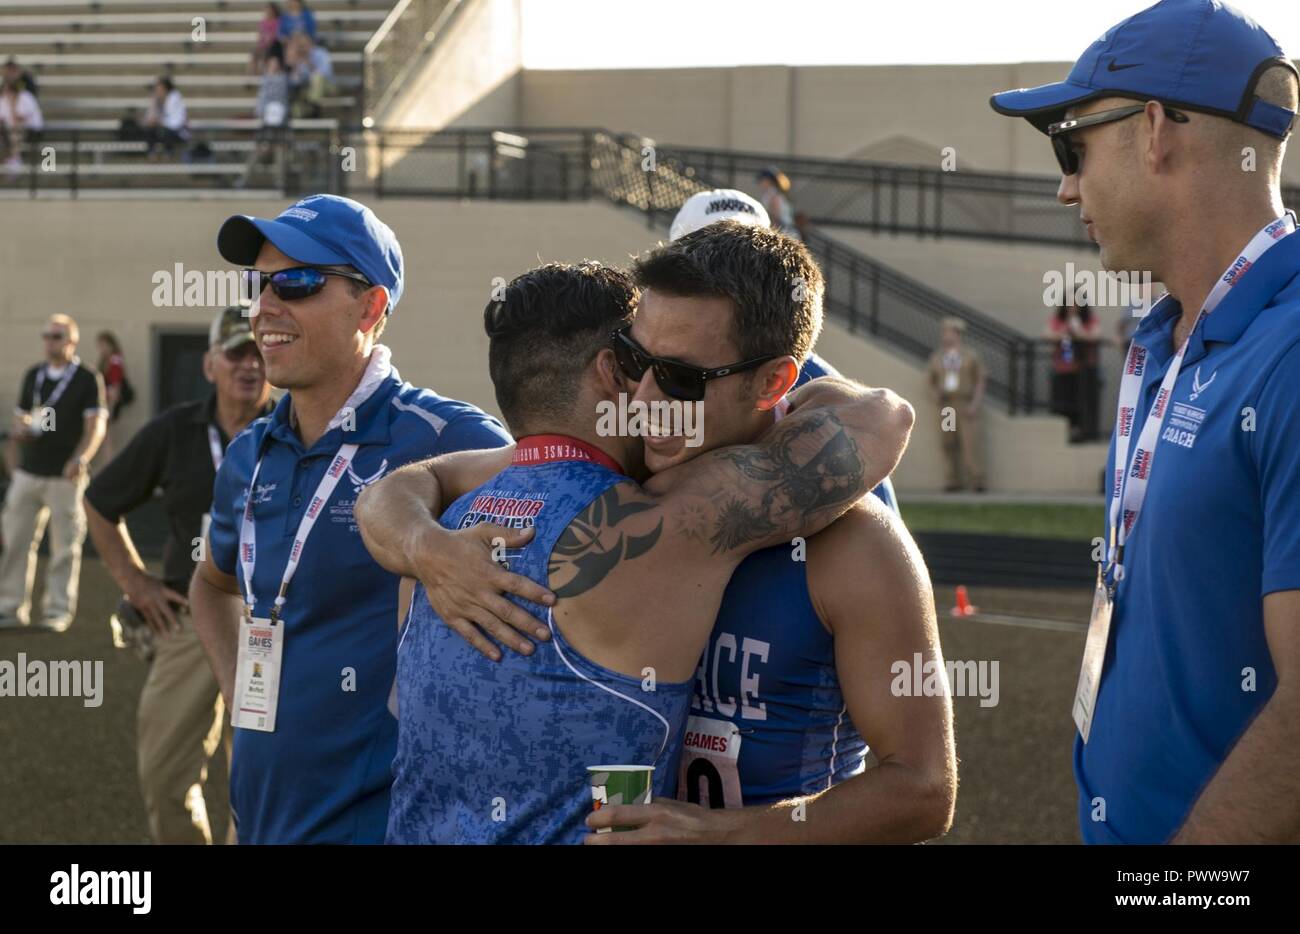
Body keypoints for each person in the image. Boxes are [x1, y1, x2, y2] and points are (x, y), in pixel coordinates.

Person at [355, 235, 918, 844]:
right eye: (632, 360)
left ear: (773, 381)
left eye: (677, 376)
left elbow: (922, 788)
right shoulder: (644, 506)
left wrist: (725, 835)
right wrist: (424, 546)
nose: (645, 397)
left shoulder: (841, 537)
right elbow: (881, 416)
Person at [991, 0, 1300, 843]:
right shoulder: (1167, 339)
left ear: (1156, 129)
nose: (1064, 185)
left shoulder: (1290, 354)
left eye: (1073, 145)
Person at [189, 194, 512, 844]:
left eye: (297, 282)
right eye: (257, 284)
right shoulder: (250, 454)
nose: (266, 306)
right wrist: (242, 701)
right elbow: (212, 584)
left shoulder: (448, 438)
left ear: (371, 307)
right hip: (263, 813)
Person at [84, 308, 273, 845]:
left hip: (270, 630)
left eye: (259, 353)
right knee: (164, 775)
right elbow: (99, 503)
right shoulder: (174, 430)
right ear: (210, 364)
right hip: (190, 619)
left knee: (263, 782)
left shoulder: (295, 429)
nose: (249, 364)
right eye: (236, 353)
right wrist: (136, 584)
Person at [669, 188, 899, 510]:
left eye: (740, 256)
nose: (722, 275)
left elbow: (877, 509)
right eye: (701, 259)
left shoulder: (816, 387)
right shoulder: (633, 368)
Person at [0, 315, 107, 632]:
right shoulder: (33, 375)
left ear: (72, 341)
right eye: (47, 335)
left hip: (65, 476)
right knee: (15, 542)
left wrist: (81, 458)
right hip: (28, 473)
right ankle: (10, 607)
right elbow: (19, 420)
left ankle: (57, 611)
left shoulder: (87, 378)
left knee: (65, 547)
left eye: (57, 336)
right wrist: (19, 436)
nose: (50, 341)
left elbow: (96, 425)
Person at [925, 318, 985, 492]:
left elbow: (980, 380)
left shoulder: (970, 356)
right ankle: (952, 480)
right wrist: (935, 394)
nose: (946, 335)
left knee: (970, 442)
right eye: (944, 332)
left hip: (964, 403)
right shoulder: (938, 357)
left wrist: (975, 403)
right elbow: (930, 380)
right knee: (948, 442)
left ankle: (977, 480)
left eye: (949, 331)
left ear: (958, 334)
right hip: (947, 405)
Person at [1045, 299, 1101, 441]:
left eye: (1076, 304)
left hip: (1083, 371)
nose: (1073, 308)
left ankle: (1083, 432)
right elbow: (1048, 334)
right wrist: (1065, 331)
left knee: (1083, 402)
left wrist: (1078, 330)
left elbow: (1095, 335)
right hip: (1064, 369)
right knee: (1063, 402)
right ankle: (1066, 431)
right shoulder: (1059, 320)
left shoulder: (1088, 320)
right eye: (1070, 304)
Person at [94, 330, 133, 463]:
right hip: (103, 402)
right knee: (103, 437)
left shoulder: (115, 360)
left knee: (107, 438)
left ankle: (109, 466)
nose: (101, 348)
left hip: (109, 403)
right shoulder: (105, 361)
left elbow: (115, 387)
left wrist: (110, 409)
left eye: (103, 345)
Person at [0, 77, 43, 174]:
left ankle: (16, 159)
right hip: (11, 130)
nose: (5, 93)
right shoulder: (3, 98)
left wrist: (12, 105)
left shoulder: (26, 97)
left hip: (33, 130)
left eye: (7, 91)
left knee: (16, 129)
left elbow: (18, 120)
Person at [141, 76, 188, 159]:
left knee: (166, 131)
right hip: (163, 129)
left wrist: (159, 122)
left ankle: (169, 153)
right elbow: (149, 117)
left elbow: (177, 121)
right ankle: (152, 153)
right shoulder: (157, 99)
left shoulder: (175, 98)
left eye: (158, 87)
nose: (156, 90)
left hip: (176, 131)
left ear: (165, 88)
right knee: (149, 129)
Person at [755, 166, 799, 239]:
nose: (760, 183)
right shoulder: (776, 193)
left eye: (762, 180)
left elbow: (776, 218)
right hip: (787, 231)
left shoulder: (772, 195)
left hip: (784, 233)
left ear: (769, 180)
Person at [250, 3, 283, 75]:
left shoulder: (278, 21)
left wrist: (268, 42)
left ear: (274, 11)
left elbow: (276, 35)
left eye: (269, 10)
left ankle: (264, 73)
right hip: (263, 44)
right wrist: (260, 42)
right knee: (254, 52)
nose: (268, 12)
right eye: (267, 10)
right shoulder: (263, 22)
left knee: (266, 53)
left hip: (274, 45)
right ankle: (253, 74)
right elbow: (260, 34)